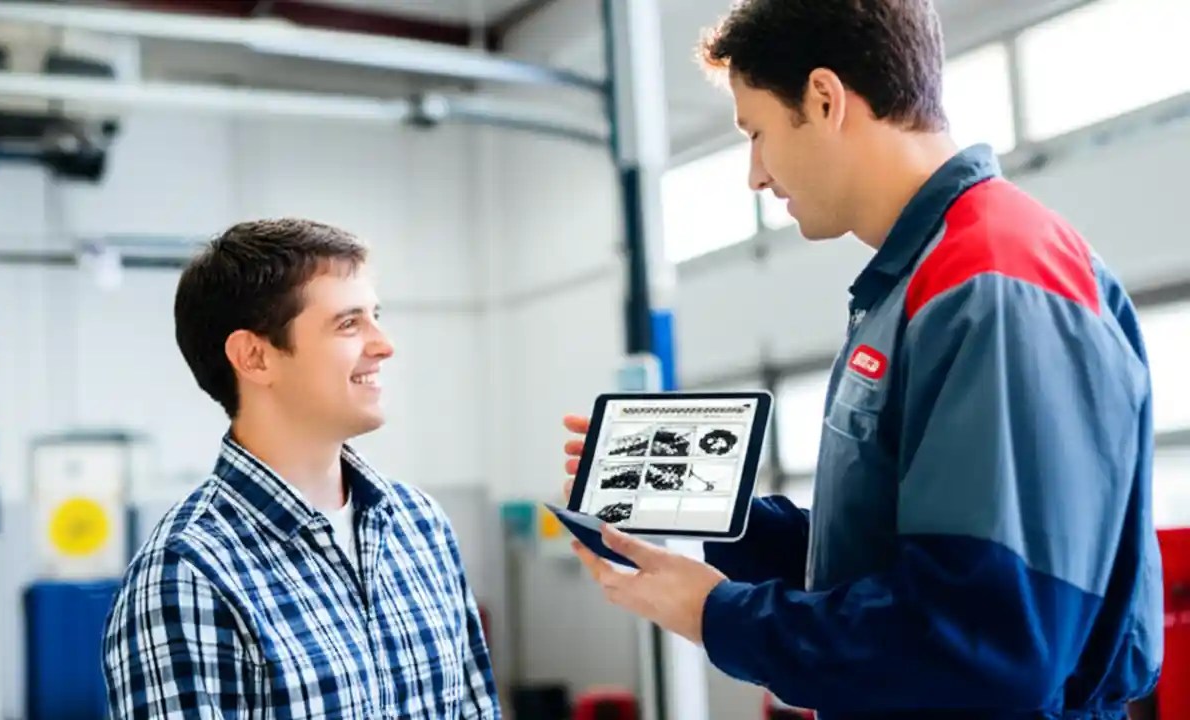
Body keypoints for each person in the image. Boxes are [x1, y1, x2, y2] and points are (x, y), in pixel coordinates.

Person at [562, 0, 1163, 717]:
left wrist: (716, 615)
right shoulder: (918, 280)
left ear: (824, 99)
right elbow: (903, 566)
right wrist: (721, 516)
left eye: (755, 133)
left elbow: (985, 645)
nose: (755, 174)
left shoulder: (992, 279)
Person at [102, 218, 501, 719]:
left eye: (374, 315)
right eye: (349, 323)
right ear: (255, 357)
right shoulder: (187, 573)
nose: (384, 344)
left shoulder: (420, 526)